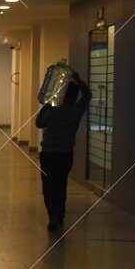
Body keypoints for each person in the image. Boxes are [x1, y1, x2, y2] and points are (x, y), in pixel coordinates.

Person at [35, 80, 91, 233]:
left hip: (49, 154)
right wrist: (79, 81)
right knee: (61, 184)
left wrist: (48, 103)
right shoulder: (76, 110)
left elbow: (39, 123)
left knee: (49, 186)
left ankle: (53, 215)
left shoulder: (53, 109)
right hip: (65, 154)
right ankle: (59, 215)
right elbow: (87, 95)